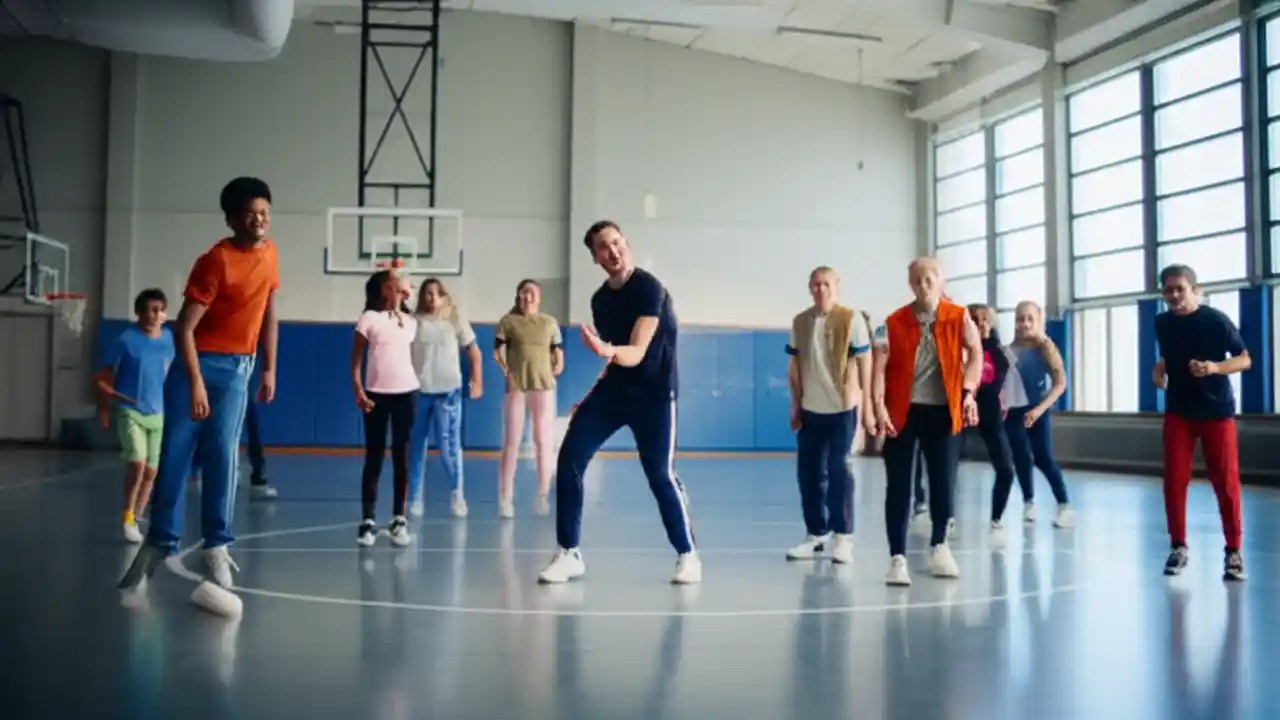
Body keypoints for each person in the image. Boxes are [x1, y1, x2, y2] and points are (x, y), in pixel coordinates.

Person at [118, 176, 279, 592]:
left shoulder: (272, 254)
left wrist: (268, 368)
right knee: (174, 456)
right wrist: (194, 382)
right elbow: (184, 328)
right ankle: (159, 542)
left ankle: (217, 545)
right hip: (198, 366)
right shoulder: (215, 261)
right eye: (250, 213)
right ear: (231, 219)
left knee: (223, 456)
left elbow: (269, 312)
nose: (258, 219)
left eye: (264, 212)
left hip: (238, 370)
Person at [537, 220, 700, 585]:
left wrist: (606, 349)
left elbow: (637, 352)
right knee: (570, 458)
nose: (612, 252)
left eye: (616, 243)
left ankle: (688, 554)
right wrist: (589, 397)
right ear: (595, 257)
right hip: (616, 391)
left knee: (659, 473)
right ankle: (568, 552)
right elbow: (615, 363)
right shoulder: (600, 300)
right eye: (602, 248)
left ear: (626, 243)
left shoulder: (649, 289)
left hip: (655, 395)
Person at [869, 257, 981, 586]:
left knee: (944, 481)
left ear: (941, 279)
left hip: (943, 410)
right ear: (910, 284)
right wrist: (878, 406)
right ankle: (897, 558)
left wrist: (969, 393)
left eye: (930, 277)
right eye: (917, 279)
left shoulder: (960, 317)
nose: (924, 283)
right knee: (899, 485)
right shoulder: (891, 322)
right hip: (902, 411)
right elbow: (878, 368)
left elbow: (974, 353)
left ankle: (940, 545)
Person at [1153, 264, 1249, 581]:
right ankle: (1178, 546)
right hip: (1180, 410)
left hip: (1216, 411)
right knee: (1174, 481)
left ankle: (1233, 551)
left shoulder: (1215, 320)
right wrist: (1161, 366)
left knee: (1225, 481)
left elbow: (1245, 358)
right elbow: (1171, 353)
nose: (1175, 295)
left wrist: (1215, 368)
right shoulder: (1163, 323)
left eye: (1180, 288)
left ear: (1195, 289)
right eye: (1168, 290)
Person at [783, 266, 872, 564]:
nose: (821, 289)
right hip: (811, 410)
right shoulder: (800, 322)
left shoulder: (851, 319)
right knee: (807, 474)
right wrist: (796, 405)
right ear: (810, 288)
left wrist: (867, 407)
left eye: (826, 284)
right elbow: (794, 368)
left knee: (838, 470)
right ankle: (816, 534)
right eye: (816, 285)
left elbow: (865, 363)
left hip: (842, 410)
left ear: (837, 286)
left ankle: (843, 536)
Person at [97, 288, 175, 544]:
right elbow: (104, 377)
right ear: (139, 313)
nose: (155, 315)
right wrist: (107, 406)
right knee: (137, 463)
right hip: (130, 411)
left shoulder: (168, 340)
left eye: (160, 310)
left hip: (158, 413)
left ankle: (138, 516)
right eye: (150, 310)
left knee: (152, 472)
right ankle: (127, 516)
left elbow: (170, 371)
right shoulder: (126, 340)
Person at [352, 269, 420, 547]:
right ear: (384, 289)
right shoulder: (369, 318)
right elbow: (356, 361)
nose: (400, 283)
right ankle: (368, 521)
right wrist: (358, 389)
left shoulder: (410, 322)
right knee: (375, 456)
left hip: (407, 394)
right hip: (376, 395)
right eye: (394, 280)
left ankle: (398, 518)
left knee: (402, 458)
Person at [407, 277, 481, 519]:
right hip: (419, 391)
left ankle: (457, 492)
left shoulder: (455, 319)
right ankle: (415, 496)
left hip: (448, 392)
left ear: (443, 296)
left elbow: (473, 352)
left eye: (435, 293)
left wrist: (476, 380)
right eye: (426, 293)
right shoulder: (413, 322)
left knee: (449, 447)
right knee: (416, 446)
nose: (431, 297)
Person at [495, 279, 565, 518]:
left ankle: (543, 494)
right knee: (511, 442)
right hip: (517, 386)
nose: (527, 298)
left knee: (543, 441)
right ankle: (505, 497)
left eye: (532, 294)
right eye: (523, 294)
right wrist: (507, 371)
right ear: (518, 297)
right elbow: (497, 352)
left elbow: (557, 350)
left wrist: (558, 365)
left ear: (539, 297)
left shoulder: (549, 322)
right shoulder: (508, 322)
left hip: (543, 386)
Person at [1002, 301, 1073, 528]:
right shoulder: (1008, 351)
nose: (1024, 324)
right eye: (1020, 319)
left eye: (1030, 319)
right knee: (1021, 456)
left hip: (1038, 411)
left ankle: (1063, 504)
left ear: (1038, 320)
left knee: (1043, 458)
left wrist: (1040, 409)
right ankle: (1028, 502)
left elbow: (1061, 383)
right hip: (1014, 412)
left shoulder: (1045, 347)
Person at [964, 304, 1019, 544]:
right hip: (962, 411)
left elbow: (1011, 384)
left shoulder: (1002, 353)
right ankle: (941, 515)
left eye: (986, 320)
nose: (982, 324)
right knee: (941, 465)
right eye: (976, 320)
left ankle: (996, 517)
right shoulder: (960, 350)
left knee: (1006, 469)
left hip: (991, 415)